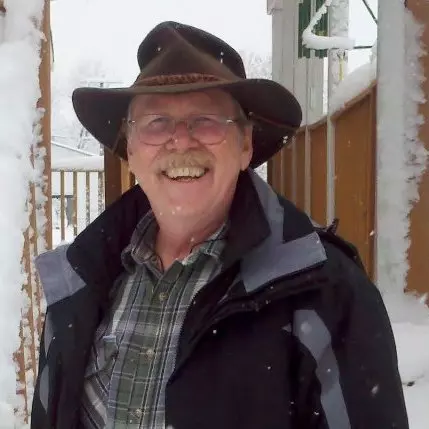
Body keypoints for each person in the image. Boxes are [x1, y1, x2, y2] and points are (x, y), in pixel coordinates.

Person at [31, 21, 409, 429]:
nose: (181, 141)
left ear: (246, 145)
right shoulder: (78, 286)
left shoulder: (326, 292)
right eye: (156, 123)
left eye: (206, 121)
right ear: (131, 150)